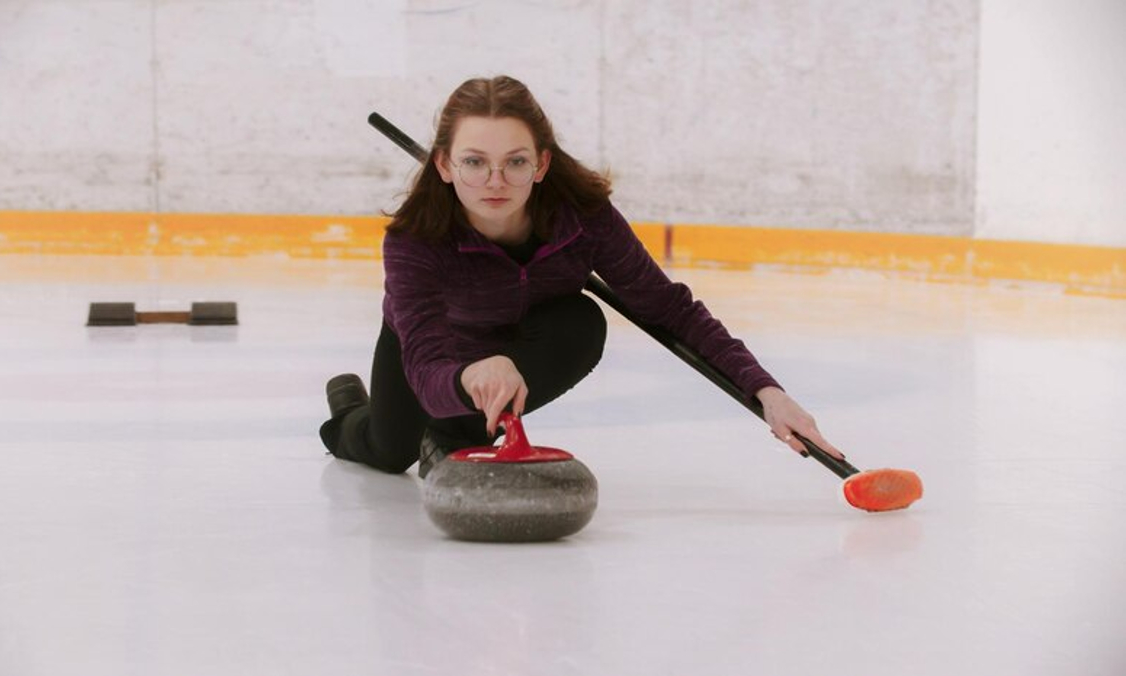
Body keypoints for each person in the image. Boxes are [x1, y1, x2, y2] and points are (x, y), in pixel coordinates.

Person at [320, 75, 844, 477]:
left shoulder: (582, 219)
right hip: (439, 354)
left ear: (542, 164)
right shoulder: (416, 239)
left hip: (527, 337)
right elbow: (431, 375)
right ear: (443, 165)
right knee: (389, 451)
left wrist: (766, 392)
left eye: (516, 162)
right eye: (474, 162)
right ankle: (349, 411)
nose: (495, 181)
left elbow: (669, 308)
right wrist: (465, 377)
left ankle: (456, 437)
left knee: (583, 321)